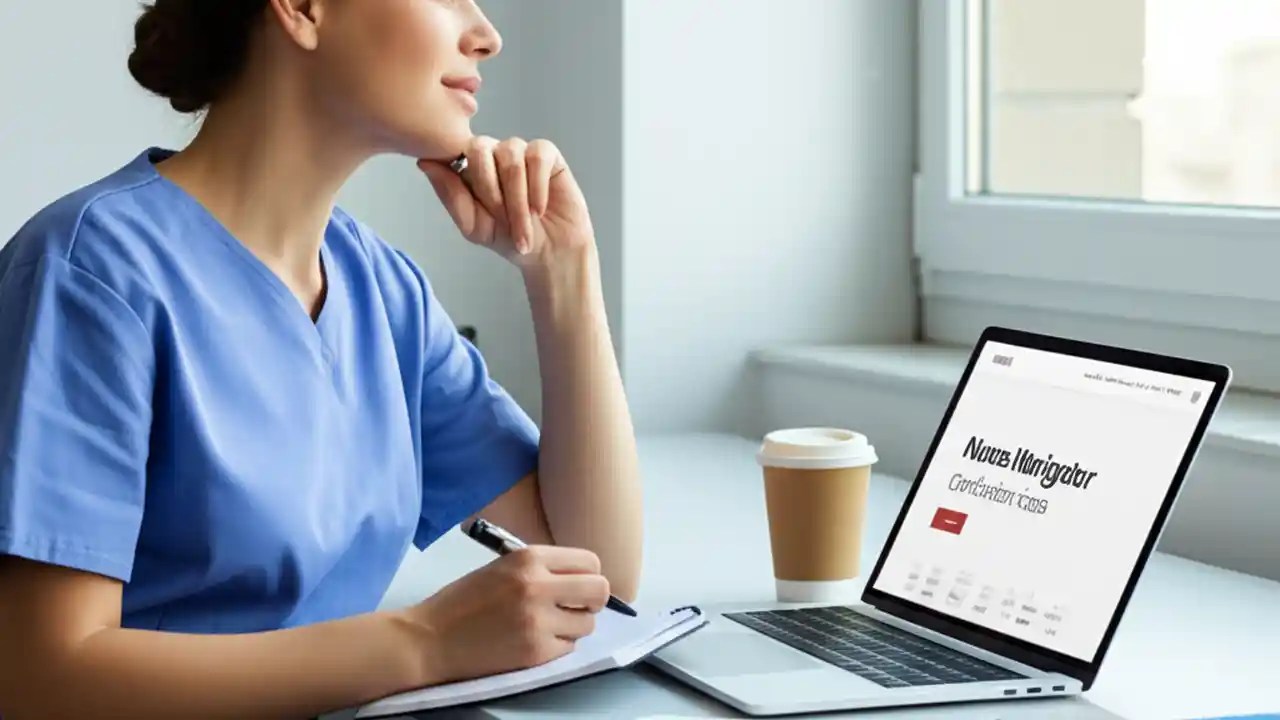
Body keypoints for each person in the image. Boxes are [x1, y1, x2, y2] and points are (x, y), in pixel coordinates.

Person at [0, 0, 643, 717]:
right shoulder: (90, 271)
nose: (486, 34)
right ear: (303, 9)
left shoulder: (384, 290)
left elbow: (599, 575)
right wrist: (422, 643)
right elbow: (40, 674)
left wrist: (563, 273)